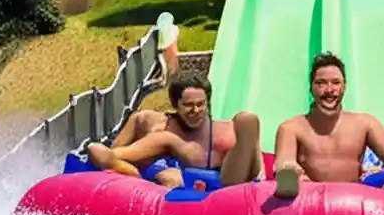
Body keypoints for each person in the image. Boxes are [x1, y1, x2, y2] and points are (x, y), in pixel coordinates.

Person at [272, 53, 384, 199]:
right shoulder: (291, 128)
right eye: (321, 83)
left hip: (354, 200)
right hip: (312, 200)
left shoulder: (364, 123)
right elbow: (285, 162)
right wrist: (291, 173)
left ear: (344, 87)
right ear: (311, 88)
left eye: (336, 83)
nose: (329, 89)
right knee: (289, 173)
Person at [86, 73, 264, 189]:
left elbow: (250, 158)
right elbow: (119, 152)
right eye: (188, 105)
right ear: (175, 106)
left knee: (247, 120)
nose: (195, 110)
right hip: (175, 178)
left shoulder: (225, 131)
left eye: (201, 105)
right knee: (171, 177)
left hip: (231, 182)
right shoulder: (164, 134)